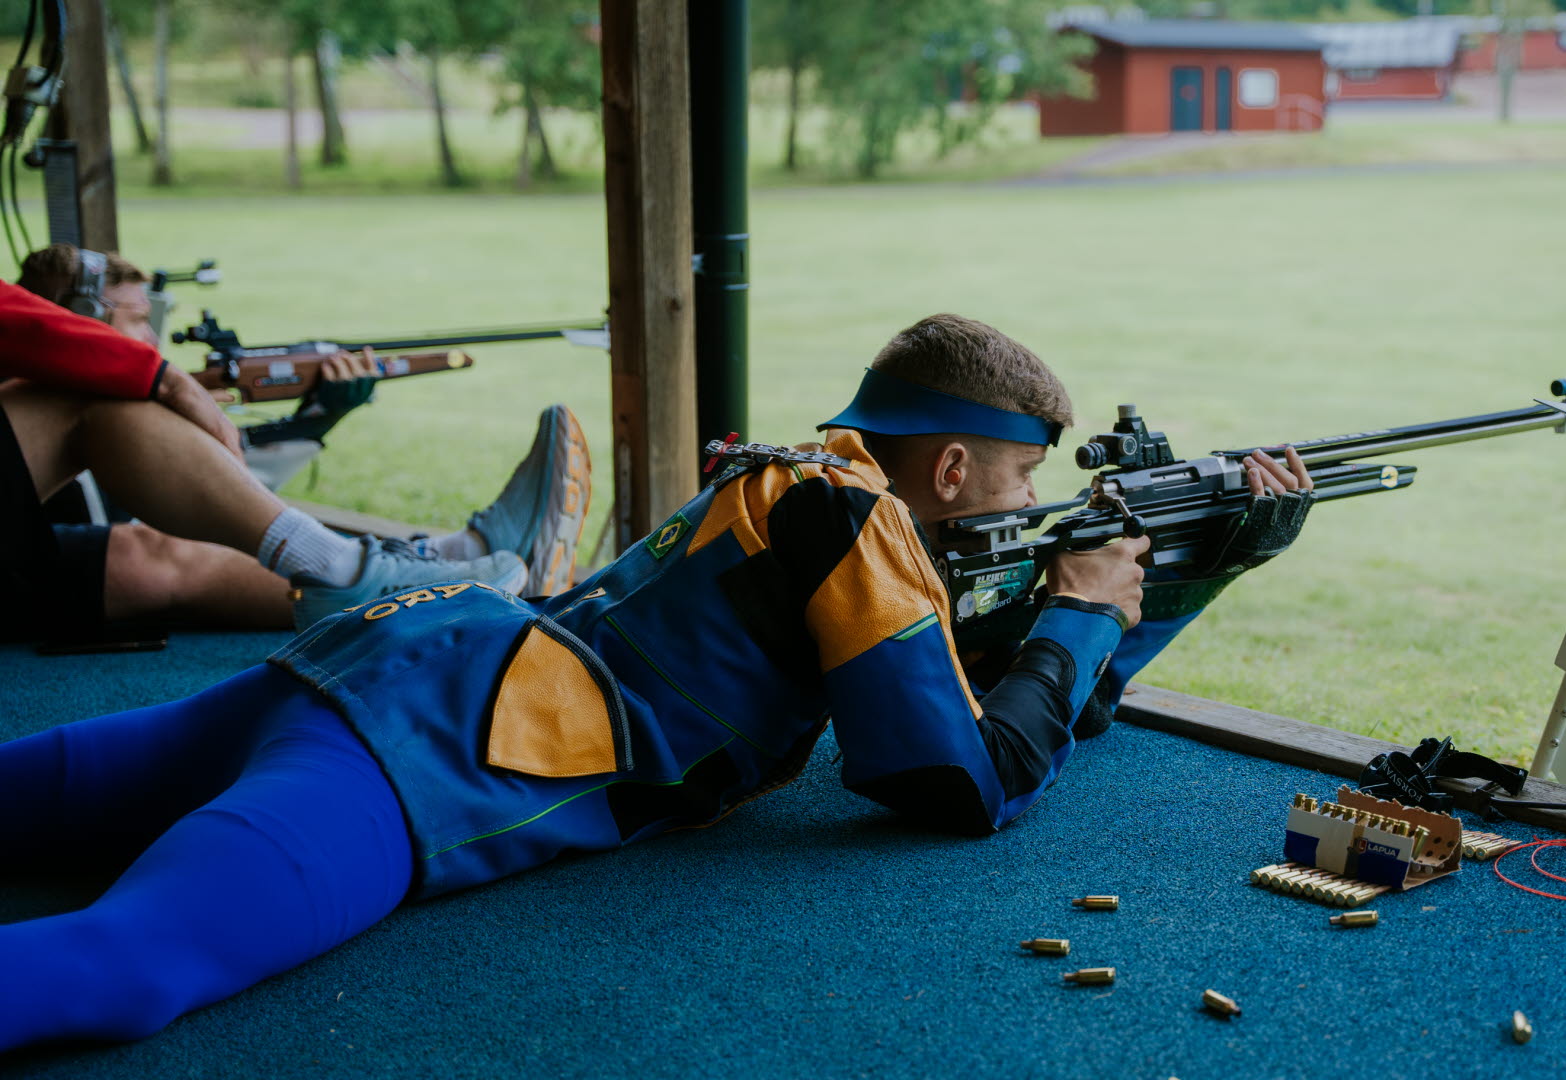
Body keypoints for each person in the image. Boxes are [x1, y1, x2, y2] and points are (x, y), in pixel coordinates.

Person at [0, 313, 1313, 1051]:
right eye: (1026, 478)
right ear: (956, 472)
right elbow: (957, 775)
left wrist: (1188, 575)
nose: (1035, 504)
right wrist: (1081, 617)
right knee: (127, 967)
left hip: (386, 656)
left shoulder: (797, 481)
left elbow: (949, 683)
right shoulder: (856, 521)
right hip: (429, 756)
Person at [2, 251, 591, 639]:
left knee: (152, 557)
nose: (151, 335)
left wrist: (314, 419)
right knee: (145, 545)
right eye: (134, 316)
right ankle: (399, 573)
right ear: (73, 319)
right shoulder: (44, 397)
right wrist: (157, 382)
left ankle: (449, 564)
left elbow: (219, 488)